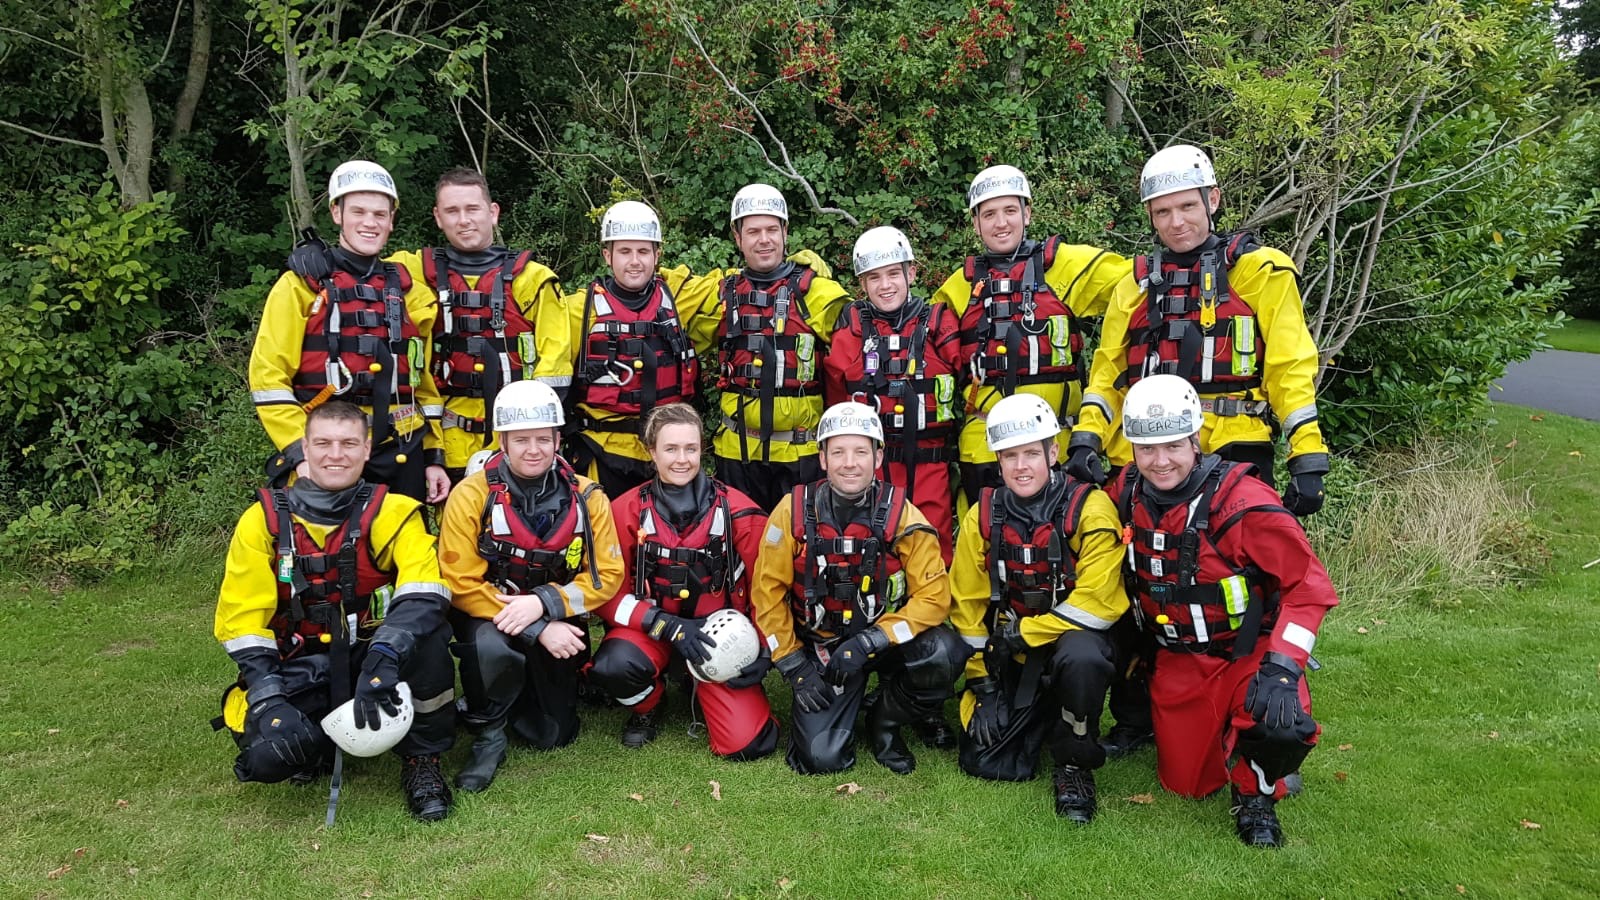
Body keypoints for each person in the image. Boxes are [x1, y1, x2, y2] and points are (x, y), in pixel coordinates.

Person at [1068, 144, 1332, 760]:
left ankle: (1264, 693)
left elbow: (1291, 364)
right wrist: (1087, 435)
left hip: (1236, 447)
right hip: (1149, 456)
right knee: (1143, 581)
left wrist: (1307, 453)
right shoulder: (1136, 285)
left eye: (1187, 207)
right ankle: (1138, 713)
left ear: (1213, 200)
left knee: (1244, 585)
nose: (1176, 222)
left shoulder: (1259, 271)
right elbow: (1107, 371)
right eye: (1162, 212)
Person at [1107, 375, 1337, 847]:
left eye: (1173, 446)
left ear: (1196, 439)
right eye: (1147, 449)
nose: (1160, 461)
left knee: (1279, 717)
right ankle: (1206, 736)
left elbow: (1309, 587)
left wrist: (1283, 667)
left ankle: (1258, 793)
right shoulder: (1127, 492)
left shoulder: (1242, 502)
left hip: (1244, 654)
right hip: (1179, 658)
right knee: (1186, 785)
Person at [213, 401, 456, 821]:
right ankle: (316, 746)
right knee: (269, 756)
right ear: (304, 449)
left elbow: (424, 587)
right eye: (323, 443)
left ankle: (423, 761)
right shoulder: (262, 521)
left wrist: (387, 655)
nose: (336, 454)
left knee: (429, 637)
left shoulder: (394, 512)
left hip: (371, 652)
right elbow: (242, 619)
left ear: (366, 450)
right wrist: (268, 698)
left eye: (348, 443)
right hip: (302, 657)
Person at [292, 168, 566, 482]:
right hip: (445, 435)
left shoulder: (533, 279)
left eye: (472, 209)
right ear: (437, 217)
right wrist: (317, 253)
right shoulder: (412, 271)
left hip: (513, 433)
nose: (463, 220)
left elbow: (555, 367)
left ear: (493, 212)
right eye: (452, 211)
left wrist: (536, 433)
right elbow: (361, 262)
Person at [751, 402, 965, 775]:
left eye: (861, 451)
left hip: (884, 640)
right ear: (822, 458)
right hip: (824, 647)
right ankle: (840, 705)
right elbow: (766, 594)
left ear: (878, 456)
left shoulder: (904, 515)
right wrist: (793, 665)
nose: (850, 462)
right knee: (821, 758)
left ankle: (884, 720)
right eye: (838, 452)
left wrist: (871, 641)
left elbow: (934, 598)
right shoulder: (791, 512)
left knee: (943, 653)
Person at [435, 379, 625, 792]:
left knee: (553, 735)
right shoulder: (471, 495)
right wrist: (535, 626)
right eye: (521, 440)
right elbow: (460, 581)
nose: (533, 449)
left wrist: (543, 606)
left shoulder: (588, 497)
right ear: (502, 441)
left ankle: (518, 695)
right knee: (489, 647)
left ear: (559, 439)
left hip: (553, 617)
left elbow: (605, 576)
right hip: (488, 617)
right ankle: (489, 734)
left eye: (543, 438)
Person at [948, 394, 1129, 822]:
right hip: (1015, 652)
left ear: (1053, 452)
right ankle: (1044, 713)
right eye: (1010, 456)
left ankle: (1075, 764)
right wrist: (981, 684)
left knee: (1081, 656)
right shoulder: (982, 515)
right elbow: (966, 607)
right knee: (986, 762)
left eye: (1032, 453)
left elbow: (1097, 604)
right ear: (997, 460)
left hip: (1073, 644)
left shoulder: (1091, 507)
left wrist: (1022, 635)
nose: (1021, 466)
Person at [931, 164, 1130, 508]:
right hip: (985, 443)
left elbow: (1140, 282)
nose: (1001, 222)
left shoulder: (1066, 264)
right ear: (976, 223)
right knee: (987, 538)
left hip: (1059, 441)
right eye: (989, 214)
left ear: (1027, 213)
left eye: (1010, 210)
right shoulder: (959, 287)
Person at [587, 403, 778, 759]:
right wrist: (667, 626)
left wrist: (764, 647)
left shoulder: (741, 511)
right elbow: (605, 592)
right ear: (651, 452)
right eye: (670, 449)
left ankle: (701, 682)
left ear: (702, 450)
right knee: (613, 667)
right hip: (652, 629)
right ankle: (648, 705)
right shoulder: (623, 511)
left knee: (749, 746)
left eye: (690, 448)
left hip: (717, 636)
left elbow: (768, 590)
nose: (681, 459)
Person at [252, 160, 450, 503]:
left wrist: (433, 456)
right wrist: (301, 452)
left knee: (404, 550)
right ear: (336, 213)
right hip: (329, 453)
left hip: (400, 451)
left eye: (379, 214)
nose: (370, 223)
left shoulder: (410, 292)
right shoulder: (301, 286)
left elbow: (422, 384)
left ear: (391, 221)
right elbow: (268, 379)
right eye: (358, 211)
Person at [542, 201, 717, 498]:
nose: (635, 261)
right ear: (607, 255)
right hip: (602, 451)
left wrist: (799, 270)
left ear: (657, 255)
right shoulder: (576, 311)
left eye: (643, 251)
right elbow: (549, 382)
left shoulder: (679, 298)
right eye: (625, 251)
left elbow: (733, 286)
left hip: (669, 453)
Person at [824, 226, 963, 563]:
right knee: (873, 540)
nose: (885, 285)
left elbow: (969, 380)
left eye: (893, 274)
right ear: (862, 284)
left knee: (933, 542)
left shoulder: (939, 324)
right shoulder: (851, 329)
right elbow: (834, 395)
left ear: (911, 272)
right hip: (873, 462)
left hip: (931, 462)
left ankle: (933, 610)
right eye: (874, 278)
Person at [709, 183, 851, 511]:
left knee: (800, 549)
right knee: (742, 549)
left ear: (786, 232)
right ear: (737, 236)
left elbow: (856, 348)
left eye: (772, 229)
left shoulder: (817, 292)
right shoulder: (720, 294)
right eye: (754, 231)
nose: (764, 239)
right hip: (737, 453)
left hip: (800, 455)